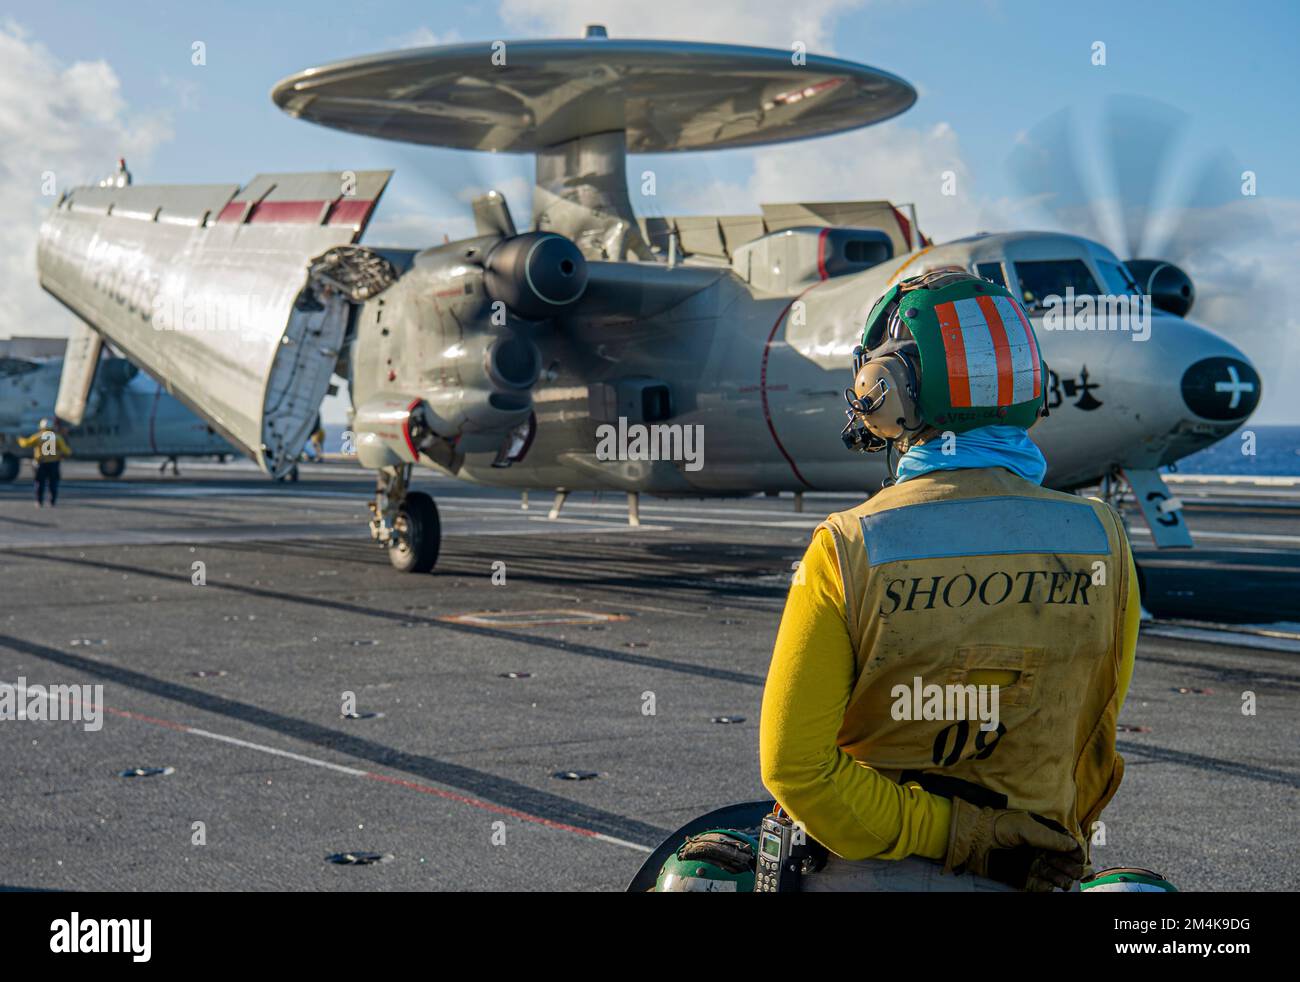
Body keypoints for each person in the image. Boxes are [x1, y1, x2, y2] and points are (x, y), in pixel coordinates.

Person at [759, 268, 1139, 892]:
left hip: (874, 875)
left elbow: (794, 768)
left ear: (886, 390)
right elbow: (1092, 738)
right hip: (1039, 870)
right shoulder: (1104, 538)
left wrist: (954, 834)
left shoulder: (849, 545)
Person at [18, 418, 72, 508]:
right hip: (54, 463)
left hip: (41, 463)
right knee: (53, 483)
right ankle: (52, 501)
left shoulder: (38, 436)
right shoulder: (57, 437)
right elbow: (66, 451)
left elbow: (25, 444)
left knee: (39, 483)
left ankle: (39, 501)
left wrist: (19, 439)